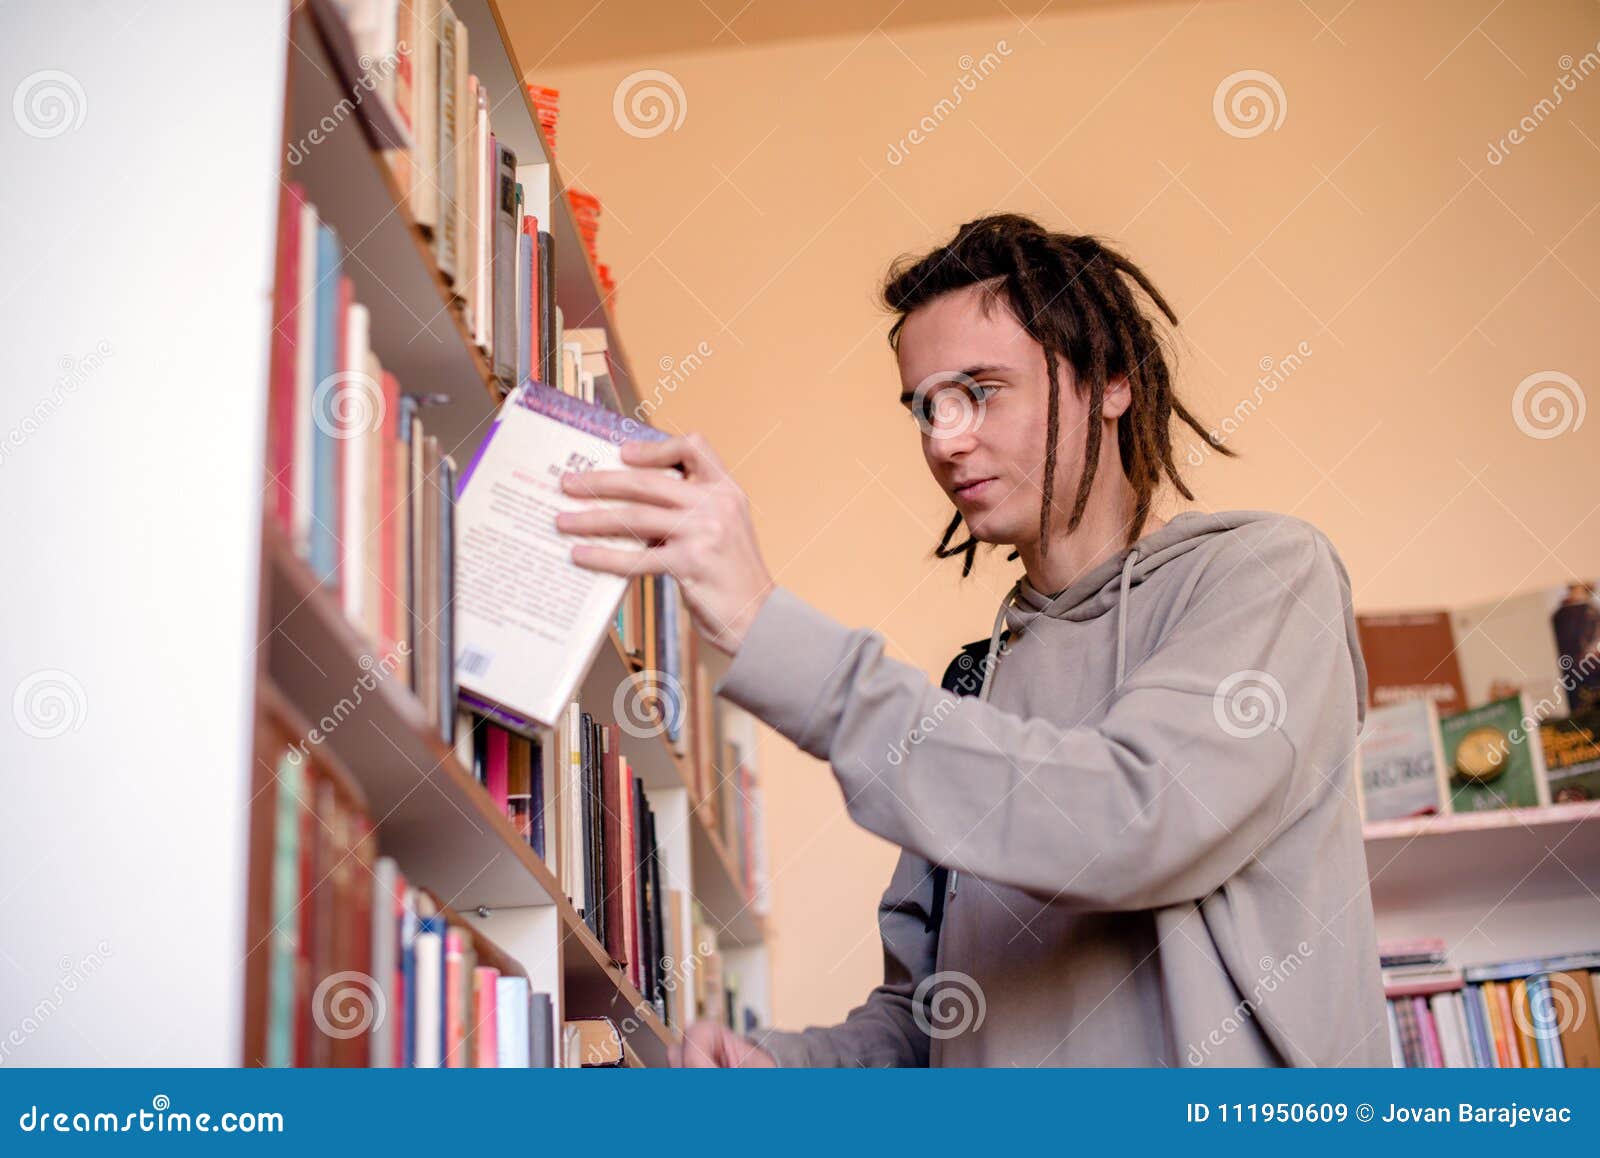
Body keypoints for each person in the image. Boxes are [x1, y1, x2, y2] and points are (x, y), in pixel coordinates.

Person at [555, 213, 1388, 1067]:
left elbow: (1133, 821)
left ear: (1110, 381)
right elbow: (931, 1018)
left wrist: (766, 627)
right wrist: (784, 1070)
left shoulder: (1266, 576)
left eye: (981, 390)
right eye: (926, 406)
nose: (945, 439)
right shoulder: (972, 686)